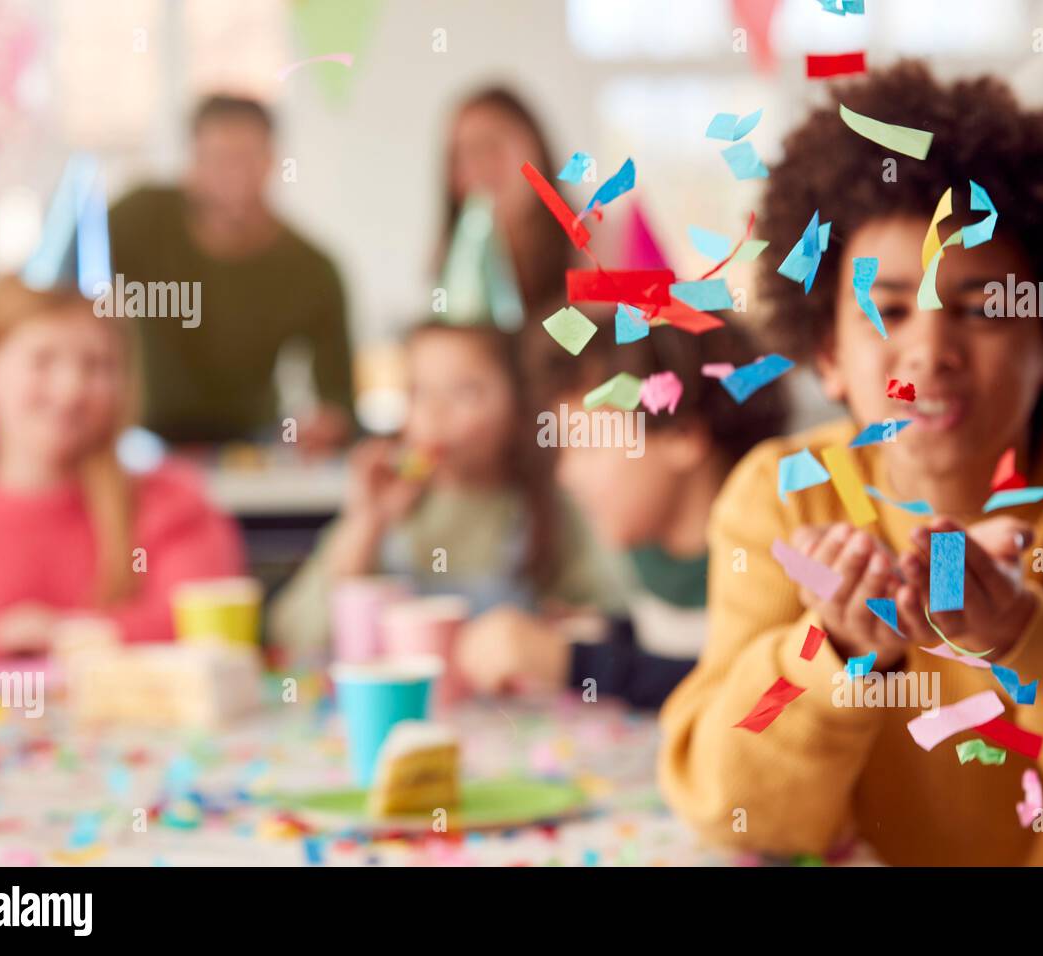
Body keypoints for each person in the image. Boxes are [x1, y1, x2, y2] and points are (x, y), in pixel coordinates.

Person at [659, 62, 1043, 865]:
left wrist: (1030, 637)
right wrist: (835, 651)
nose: (929, 351)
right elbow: (734, 814)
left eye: (981, 309)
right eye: (889, 308)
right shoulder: (781, 498)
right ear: (827, 352)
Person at [457, 314, 788, 708]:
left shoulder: (768, 558)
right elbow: (670, 643)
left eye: (587, 445)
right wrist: (603, 635)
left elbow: (732, 691)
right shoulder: (651, 549)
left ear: (681, 434)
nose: (565, 475)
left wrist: (574, 662)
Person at [267, 320, 623, 663]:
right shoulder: (387, 509)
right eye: (418, 391)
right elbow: (295, 636)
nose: (435, 412)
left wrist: (561, 636)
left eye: (464, 392)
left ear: (519, 406)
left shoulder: (549, 510)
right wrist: (367, 522)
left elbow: (612, 626)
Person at [0, 277, 245, 669]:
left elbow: (204, 629)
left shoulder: (172, 504)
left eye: (96, 365)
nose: (71, 390)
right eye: (43, 360)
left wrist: (60, 636)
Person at [108, 94, 354, 448]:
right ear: (193, 163)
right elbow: (61, 281)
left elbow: (337, 399)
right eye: (218, 159)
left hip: (253, 444)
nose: (234, 176)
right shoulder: (140, 216)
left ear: (271, 161)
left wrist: (325, 425)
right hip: (141, 438)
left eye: (246, 159)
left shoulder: (313, 269)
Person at [438, 87, 571, 323]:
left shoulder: (595, 244)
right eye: (460, 155)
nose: (475, 169)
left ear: (536, 147)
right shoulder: (458, 266)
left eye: (490, 146)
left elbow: (590, 337)